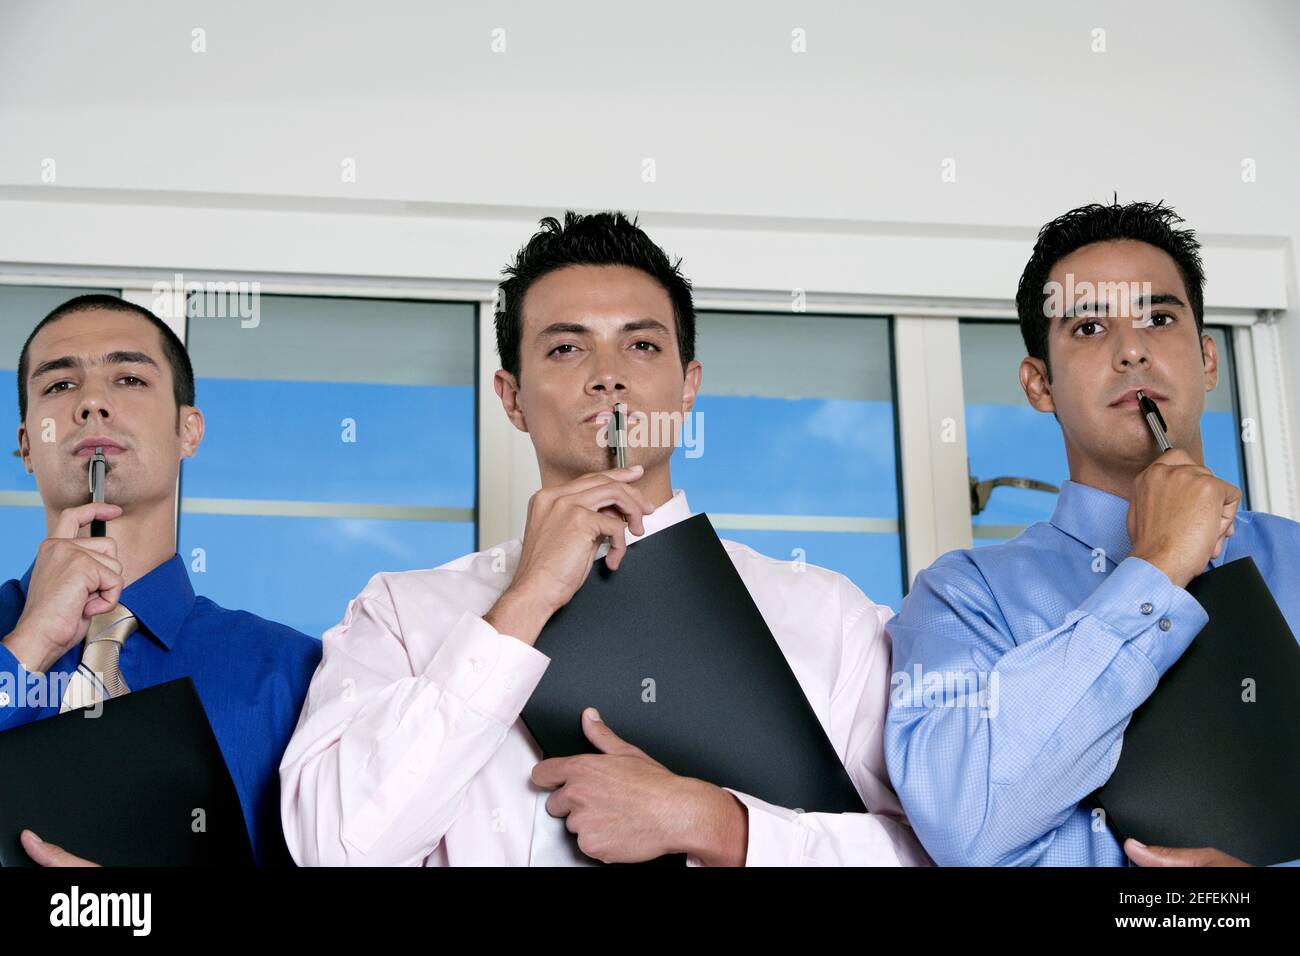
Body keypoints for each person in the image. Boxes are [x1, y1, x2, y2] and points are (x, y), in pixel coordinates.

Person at [281, 211, 929, 866]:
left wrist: (714, 823)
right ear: (512, 399)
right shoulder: (400, 615)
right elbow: (331, 849)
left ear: (687, 389)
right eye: (567, 348)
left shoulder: (829, 618)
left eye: (641, 346)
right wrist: (522, 606)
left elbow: (937, 852)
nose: (608, 375)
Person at [884, 201, 1300, 866]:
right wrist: (1158, 566)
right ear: (1039, 384)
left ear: (1208, 359)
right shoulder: (963, 599)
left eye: (1158, 318)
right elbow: (966, 821)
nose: (1132, 349)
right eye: (1088, 327)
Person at [0, 294, 321, 866]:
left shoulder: (295, 673)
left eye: (127, 378)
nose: (93, 403)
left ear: (187, 431)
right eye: (59, 386)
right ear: (26, 444)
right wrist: (26, 650)